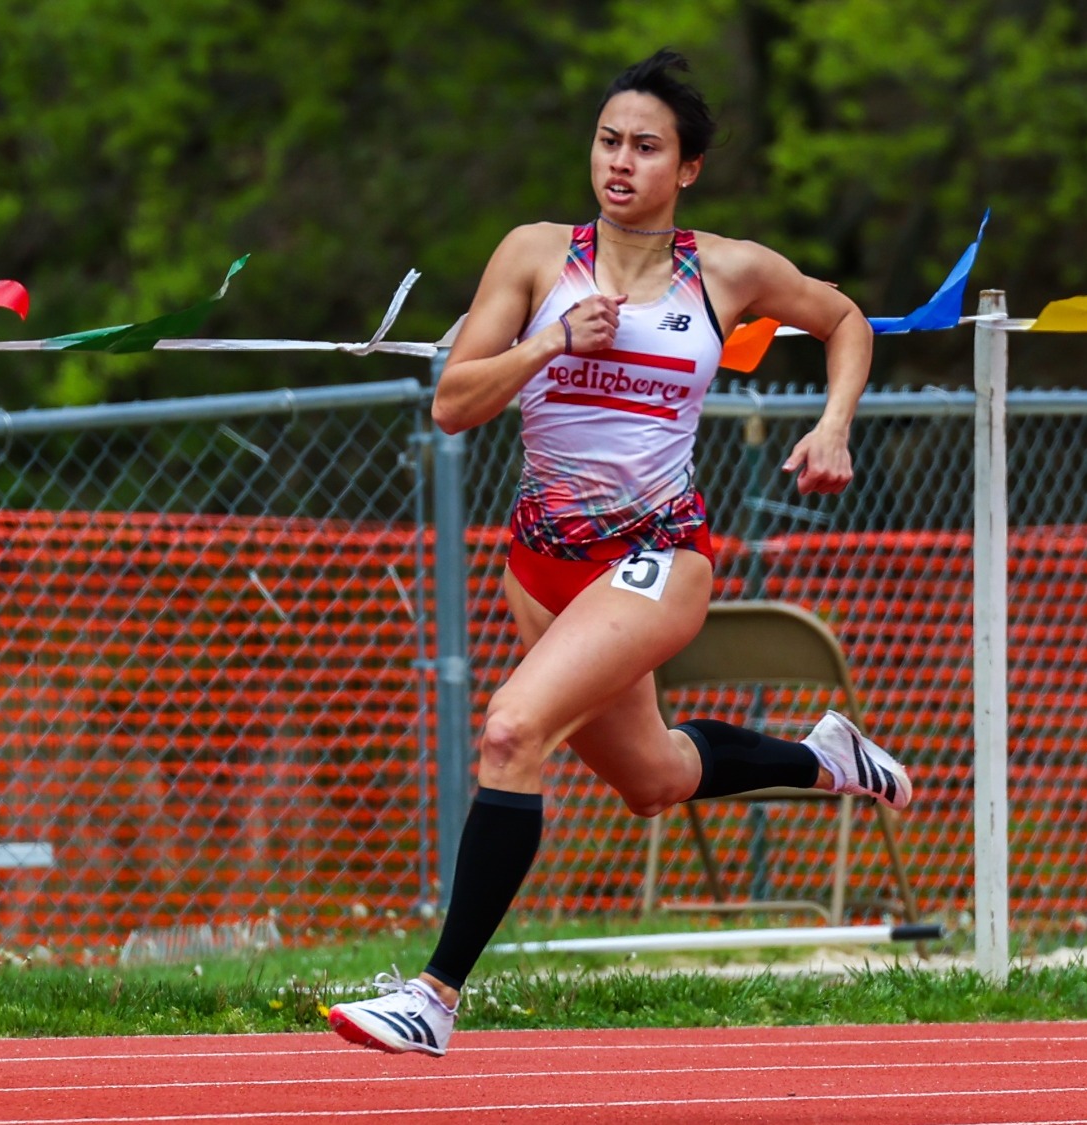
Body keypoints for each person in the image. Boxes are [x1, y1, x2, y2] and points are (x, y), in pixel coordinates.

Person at [327, 49, 911, 1057]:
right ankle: (822, 755)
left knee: (512, 732)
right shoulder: (533, 257)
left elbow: (843, 319)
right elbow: (452, 406)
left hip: (659, 559)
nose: (619, 163)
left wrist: (834, 426)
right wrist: (552, 344)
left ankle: (433, 997)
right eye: (607, 141)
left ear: (684, 170)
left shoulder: (723, 271)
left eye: (645, 147)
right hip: (542, 565)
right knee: (649, 778)